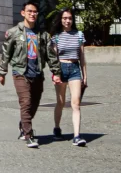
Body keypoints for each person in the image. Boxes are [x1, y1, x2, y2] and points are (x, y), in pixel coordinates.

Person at [0, 0, 62, 148]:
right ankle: (29, 135)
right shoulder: (14, 32)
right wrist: (2, 72)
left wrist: (56, 72)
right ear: (23, 13)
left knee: (34, 104)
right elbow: (6, 53)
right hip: (20, 72)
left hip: (37, 73)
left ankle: (23, 124)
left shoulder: (43, 34)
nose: (32, 14)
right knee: (26, 102)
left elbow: (50, 55)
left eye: (35, 12)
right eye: (29, 11)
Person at [52, 8, 88, 146]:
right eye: (65, 18)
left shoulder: (79, 35)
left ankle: (77, 136)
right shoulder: (56, 36)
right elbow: (54, 58)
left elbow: (82, 57)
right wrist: (55, 73)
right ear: (61, 19)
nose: (67, 21)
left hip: (74, 69)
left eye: (70, 18)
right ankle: (57, 127)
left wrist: (85, 76)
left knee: (76, 103)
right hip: (60, 69)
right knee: (60, 102)